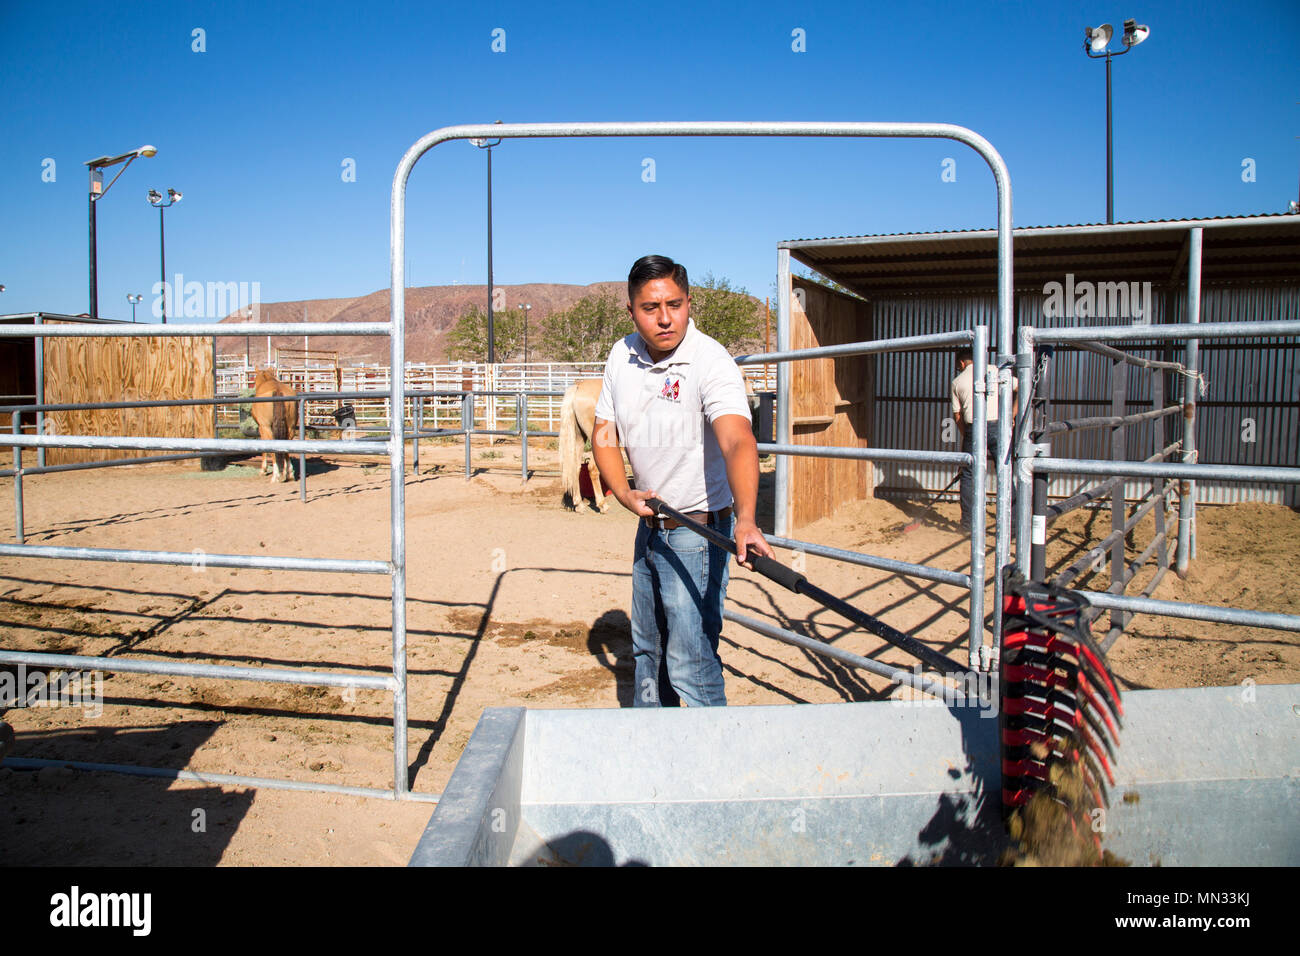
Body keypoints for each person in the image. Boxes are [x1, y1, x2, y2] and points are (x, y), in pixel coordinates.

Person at [592, 255, 773, 707]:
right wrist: (624, 494)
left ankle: (710, 768)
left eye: (675, 304)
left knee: (690, 660)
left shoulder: (710, 361)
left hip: (698, 531)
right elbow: (604, 434)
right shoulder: (621, 355)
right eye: (651, 308)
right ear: (631, 311)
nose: (665, 318)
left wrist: (747, 519)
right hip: (649, 527)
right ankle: (654, 754)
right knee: (647, 651)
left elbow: (737, 440)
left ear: (689, 302)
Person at [950, 348, 1014, 532]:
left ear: (962, 362)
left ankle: (968, 525)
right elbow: (1019, 387)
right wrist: (1013, 414)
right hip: (997, 425)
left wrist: (967, 435)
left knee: (968, 475)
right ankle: (1015, 525)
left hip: (973, 427)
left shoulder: (957, 381)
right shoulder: (995, 370)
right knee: (1005, 472)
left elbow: (958, 416)